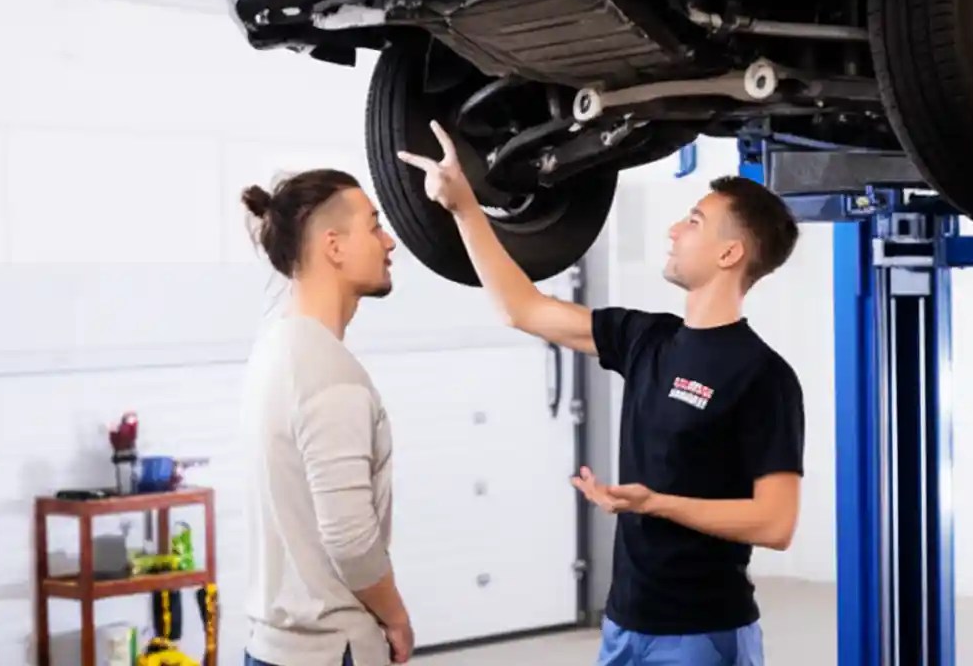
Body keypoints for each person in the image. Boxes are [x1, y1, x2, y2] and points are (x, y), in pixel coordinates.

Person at [399, 123, 805, 666]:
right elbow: (521, 309)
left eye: (693, 221)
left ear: (730, 253)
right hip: (625, 625)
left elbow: (775, 523)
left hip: (701, 635)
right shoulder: (646, 339)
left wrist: (656, 504)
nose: (673, 230)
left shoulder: (763, 375)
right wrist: (465, 208)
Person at [238, 169, 413, 666]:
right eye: (375, 225)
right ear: (333, 246)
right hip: (329, 650)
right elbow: (351, 540)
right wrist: (396, 617)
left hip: (270, 646)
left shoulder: (275, 348)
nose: (390, 242)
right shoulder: (329, 375)